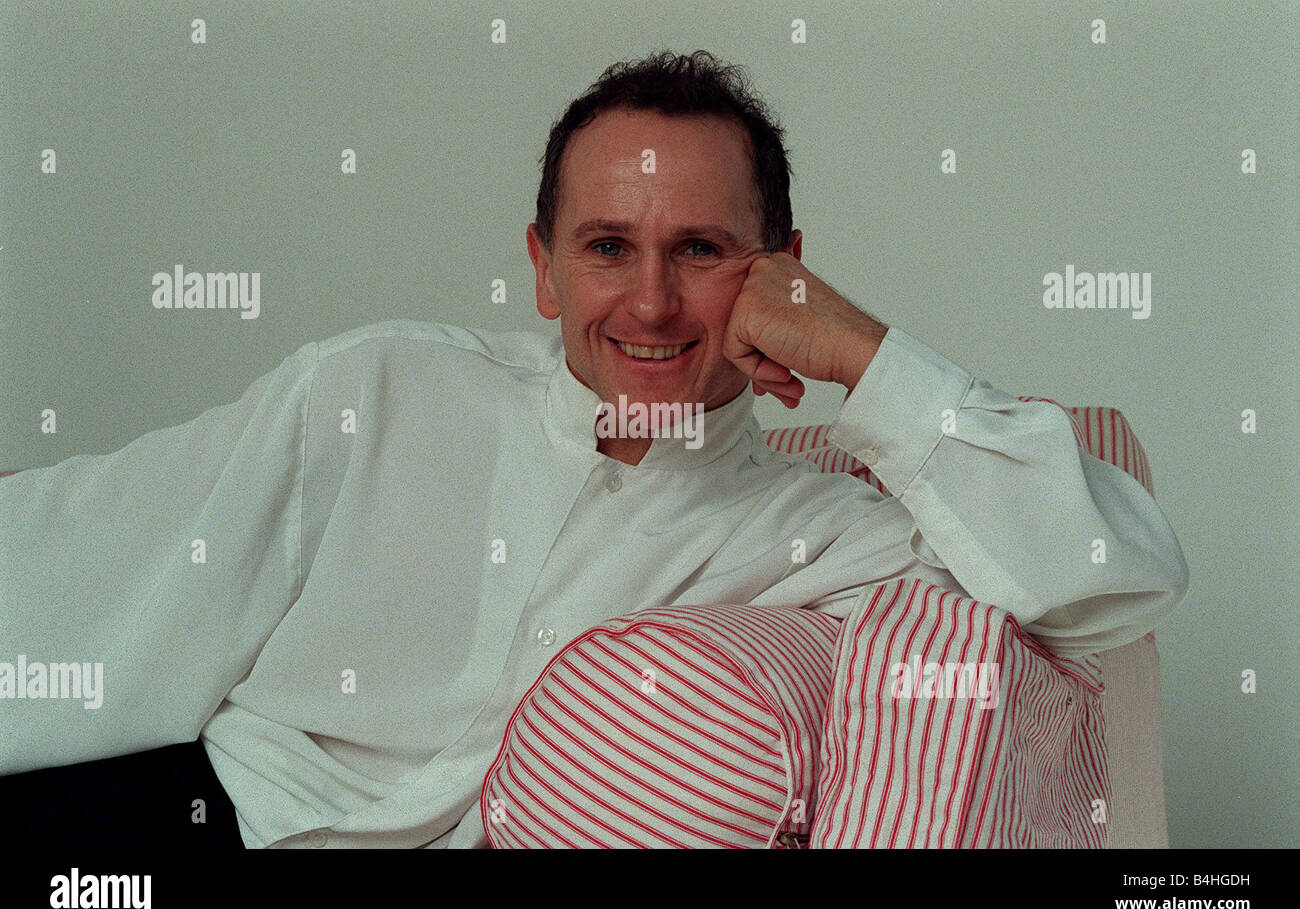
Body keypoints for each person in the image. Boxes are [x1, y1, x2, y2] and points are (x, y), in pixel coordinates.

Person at [0, 49, 1188, 848]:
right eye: (609, 246)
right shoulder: (379, 385)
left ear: (782, 266)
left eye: (704, 248)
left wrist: (866, 356)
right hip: (189, 808)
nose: (652, 303)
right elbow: (106, 555)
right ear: (543, 264)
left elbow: (1111, 577)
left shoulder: (829, 536)